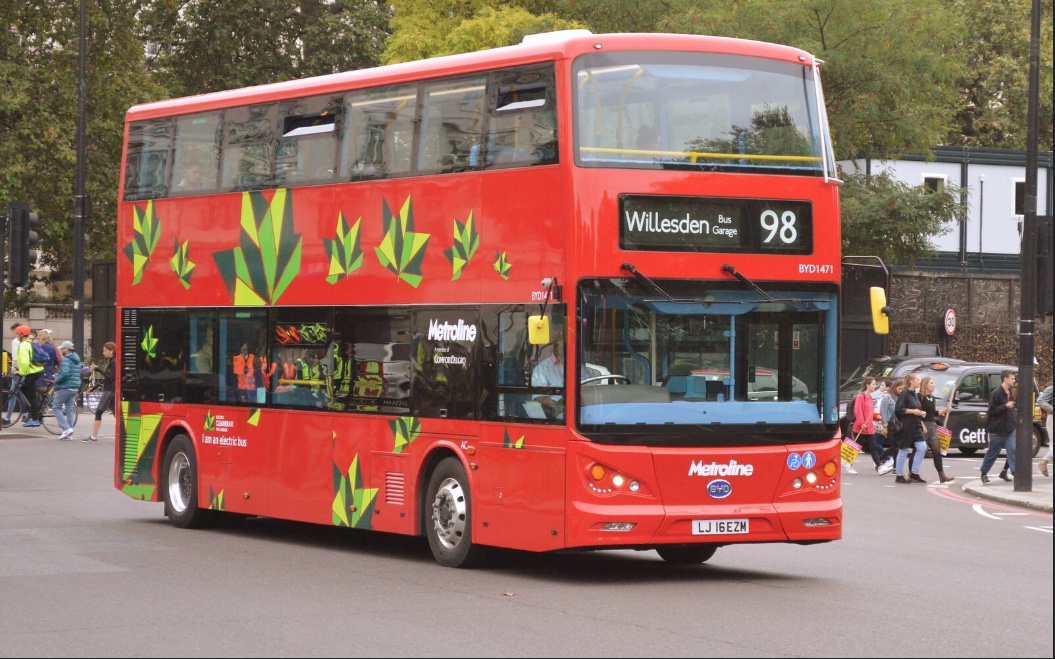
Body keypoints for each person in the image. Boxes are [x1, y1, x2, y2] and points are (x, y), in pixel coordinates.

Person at [979, 370, 1017, 484]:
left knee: (1013, 449)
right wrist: (1005, 406)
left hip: (1010, 428)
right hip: (997, 429)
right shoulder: (996, 393)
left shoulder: (1011, 393)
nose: (1014, 380)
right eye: (1012, 378)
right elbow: (991, 412)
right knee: (992, 453)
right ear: (1005, 379)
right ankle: (984, 473)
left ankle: (1016, 473)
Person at [894, 373, 928, 484]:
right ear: (912, 381)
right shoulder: (905, 393)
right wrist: (914, 411)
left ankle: (914, 473)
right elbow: (899, 409)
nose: (919, 381)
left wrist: (920, 414)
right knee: (903, 449)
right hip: (907, 426)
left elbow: (916, 409)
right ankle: (899, 475)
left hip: (916, 425)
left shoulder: (915, 394)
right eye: (918, 379)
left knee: (922, 447)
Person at [920, 375, 955, 483]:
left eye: (934, 383)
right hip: (923, 426)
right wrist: (921, 425)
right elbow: (918, 413)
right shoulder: (919, 397)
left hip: (932, 426)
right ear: (925, 385)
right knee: (919, 451)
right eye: (931, 383)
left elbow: (933, 413)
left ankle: (942, 475)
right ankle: (913, 473)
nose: (934, 385)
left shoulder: (932, 398)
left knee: (936, 451)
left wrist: (944, 410)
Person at [848, 377, 883, 473]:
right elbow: (858, 411)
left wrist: (877, 417)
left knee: (873, 447)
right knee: (855, 447)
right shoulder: (861, 396)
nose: (875, 386)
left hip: (869, 428)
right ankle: (849, 465)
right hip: (861, 427)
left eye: (875, 384)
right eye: (873, 384)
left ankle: (879, 466)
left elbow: (870, 412)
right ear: (867, 385)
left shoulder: (870, 397)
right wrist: (861, 422)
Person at [85, 342, 116, 443]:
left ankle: (93, 437)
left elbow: (110, 378)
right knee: (117, 414)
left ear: (111, 351)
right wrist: (94, 388)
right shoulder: (111, 361)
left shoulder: (114, 362)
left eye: (105, 351)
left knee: (99, 411)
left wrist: (98, 370)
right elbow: (106, 379)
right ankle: (125, 435)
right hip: (111, 390)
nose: (103, 353)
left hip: (110, 390)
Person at [51, 341, 81, 440]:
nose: (61, 350)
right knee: (70, 410)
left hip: (65, 386)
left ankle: (66, 428)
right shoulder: (76, 359)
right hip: (74, 387)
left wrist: (56, 380)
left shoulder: (66, 359)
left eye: (62, 349)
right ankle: (69, 434)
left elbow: (65, 373)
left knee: (56, 407)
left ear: (66, 349)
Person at [14, 326, 43, 427]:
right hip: (36, 371)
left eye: (17, 333)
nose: (16, 335)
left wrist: (20, 372)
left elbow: (25, 362)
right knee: (23, 388)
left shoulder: (23, 345)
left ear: (22, 334)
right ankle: (33, 411)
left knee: (32, 396)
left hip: (31, 372)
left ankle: (35, 419)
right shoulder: (30, 343)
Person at [531, 340, 565, 420]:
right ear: (555, 348)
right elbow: (539, 398)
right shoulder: (542, 368)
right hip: (557, 419)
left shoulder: (580, 368)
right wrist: (559, 405)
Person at [875, 378, 901, 474]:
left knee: (896, 446)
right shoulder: (887, 397)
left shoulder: (901, 397)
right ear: (894, 388)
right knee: (896, 446)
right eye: (899, 388)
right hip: (890, 424)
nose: (901, 391)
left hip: (899, 425)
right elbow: (883, 411)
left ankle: (894, 467)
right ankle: (881, 459)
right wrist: (885, 426)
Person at [4, 323, 25, 425]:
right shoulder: (28, 342)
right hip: (28, 370)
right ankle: (28, 414)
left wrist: (14, 369)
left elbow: (15, 357)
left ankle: (7, 418)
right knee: (25, 393)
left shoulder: (15, 342)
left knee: (12, 393)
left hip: (19, 371)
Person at [1037, 384, 1053, 477]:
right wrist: (1051, 409)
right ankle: (1043, 462)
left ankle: (1044, 462)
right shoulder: (1051, 389)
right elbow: (1040, 400)